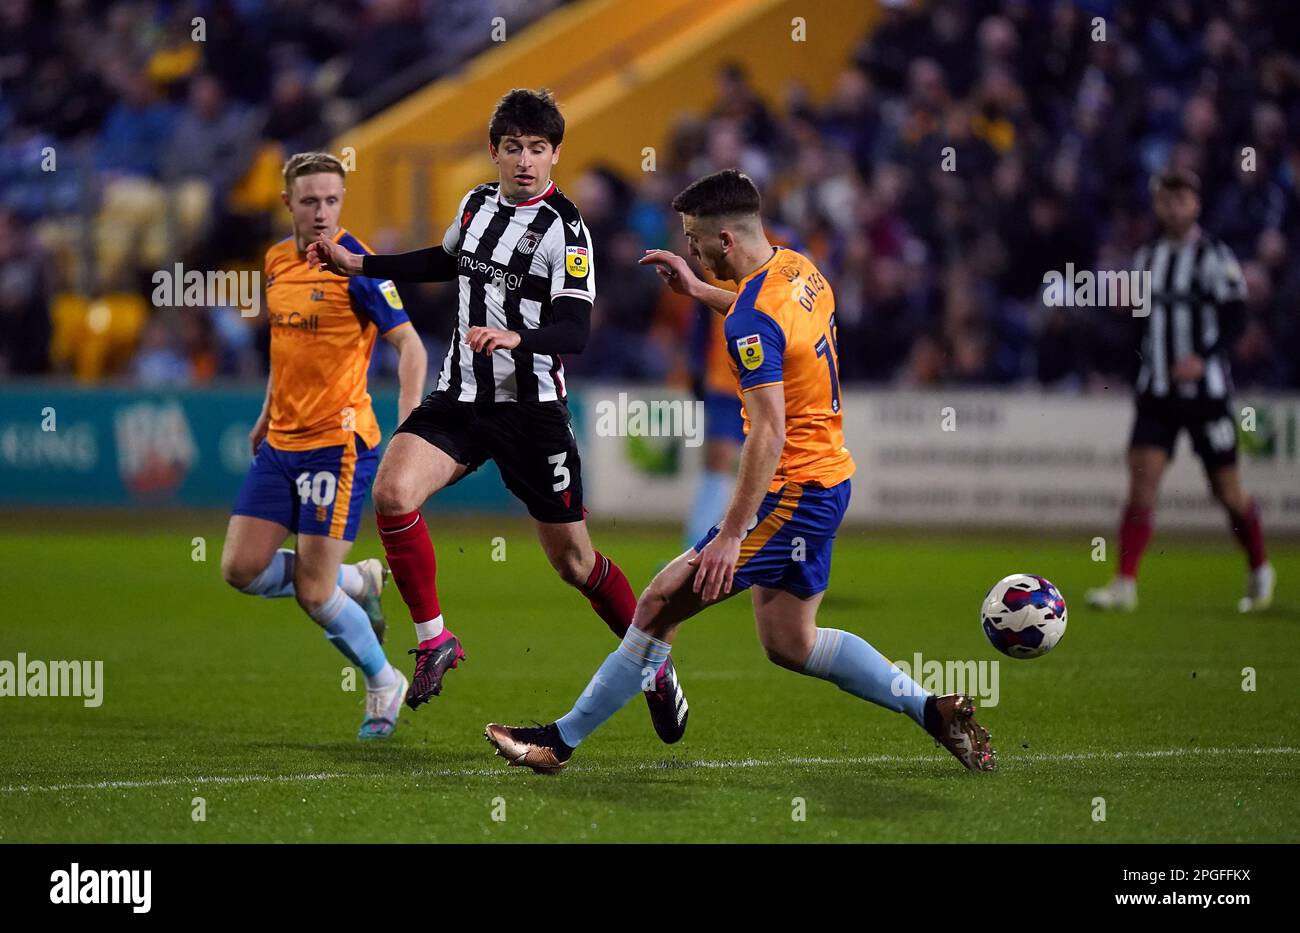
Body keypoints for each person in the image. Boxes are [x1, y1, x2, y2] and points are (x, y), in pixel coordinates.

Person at [484, 169, 997, 773]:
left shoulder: (752, 319)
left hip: (792, 491)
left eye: (696, 241)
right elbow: (769, 318)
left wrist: (730, 535)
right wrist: (703, 292)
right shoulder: (798, 269)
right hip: (830, 477)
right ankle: (933, 711)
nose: (691, 251)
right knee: (790, 641)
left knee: (655, 604)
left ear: (725, 239)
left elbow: (770, 430)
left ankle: (556, 743)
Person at [307, 89, 688, 742]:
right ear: (494, 151)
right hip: (461, 396)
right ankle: (433, 640)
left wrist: (518, 339)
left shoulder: (568, 232)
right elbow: (442, 259)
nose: (525, 161)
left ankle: (652, 664)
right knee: (393, 492)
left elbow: (575, 330)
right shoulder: (476, 204)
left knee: (573, 562)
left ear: (555, 155)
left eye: (538, 149)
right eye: (513, 147)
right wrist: (361, 263)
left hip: (532, 415)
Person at [221, 151, 427, 739]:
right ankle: (356, 581)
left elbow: (411, 348)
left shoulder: (357, 266)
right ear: (287, 202)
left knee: (313, 592)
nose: (321, 213)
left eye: (332, 201)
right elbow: (284, 347)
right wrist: (266, 411)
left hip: (337, 444)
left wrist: (410, 427)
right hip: (281, 442)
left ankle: (384, 680)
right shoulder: (276, 261)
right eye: (309, 201)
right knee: (239, 569)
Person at [1087, 168, 1274, 613]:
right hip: (1158, 392)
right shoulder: (1147, 257)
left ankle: (1260, 568)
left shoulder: (1214, 256)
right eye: (1166, 201)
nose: (1173, 208)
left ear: (1196, 204)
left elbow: (1236, 319)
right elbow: (1136, 325)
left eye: (1182, 200)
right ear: (1158, 206)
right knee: (1141, 481)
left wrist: (1204, 359)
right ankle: (1125, 583)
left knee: (1226, 490)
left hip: (1206, 394)